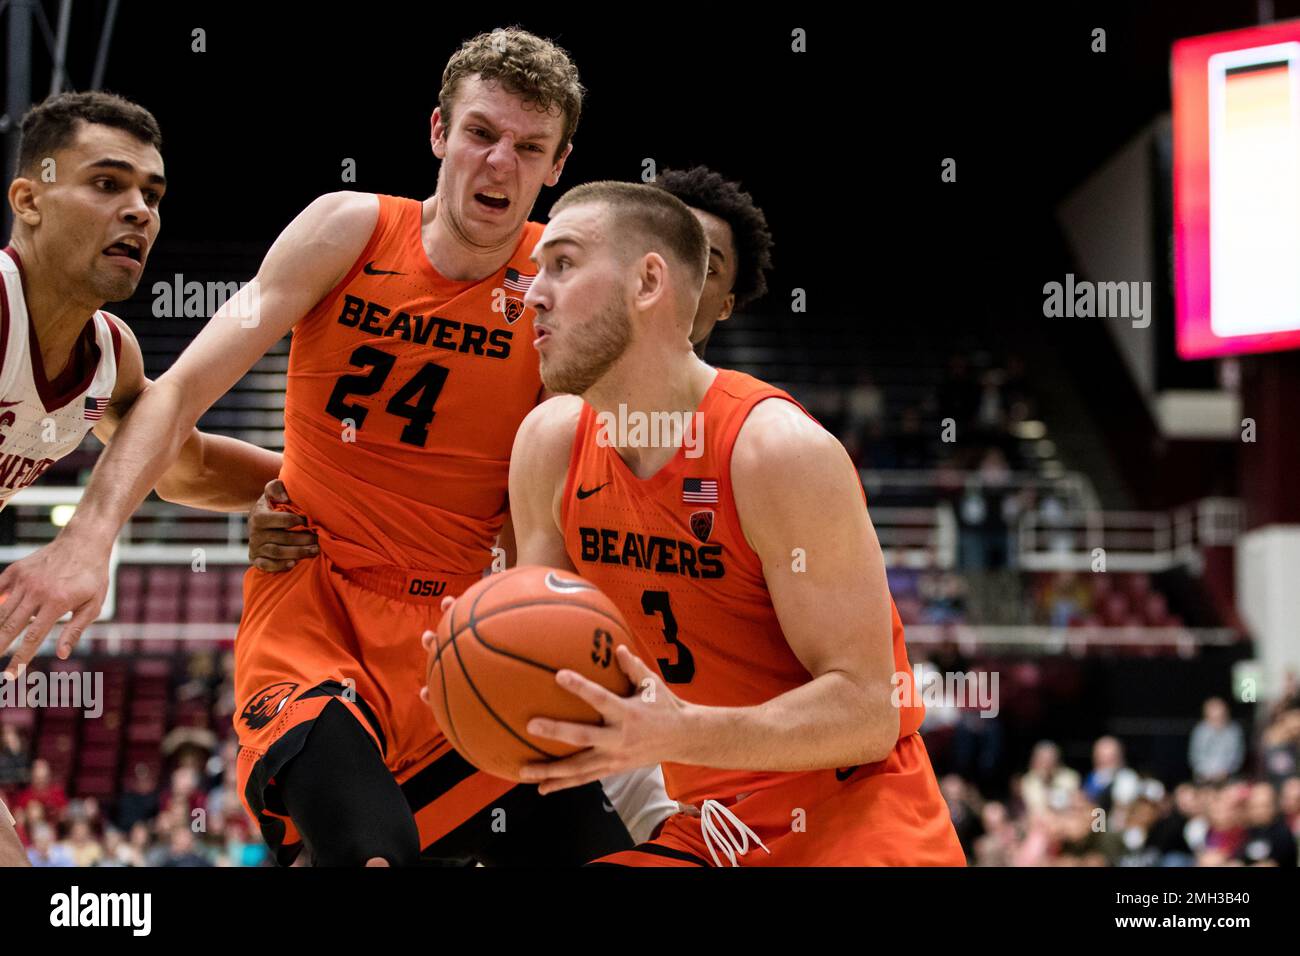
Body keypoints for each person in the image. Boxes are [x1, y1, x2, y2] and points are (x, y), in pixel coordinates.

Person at [0, 29, 641, 867]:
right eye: (481, 134)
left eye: (529, 148)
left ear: (558, 165)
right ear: (439, 132)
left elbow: (570, 469)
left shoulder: (559, 284)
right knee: (368, 852)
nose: (499, 164)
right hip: (314, 613)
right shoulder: (350, 229)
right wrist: (91, 536)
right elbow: (183, 392)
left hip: (466, 629)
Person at [485, 180, 964, 865]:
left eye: (560, 263)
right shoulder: (550, 447)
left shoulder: (775, 452)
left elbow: (867, 713)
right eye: (535, 269)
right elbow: (542, 659)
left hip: (857, 821)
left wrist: (682, 731)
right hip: (712, 829)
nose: (532, 292)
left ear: (649, 281)